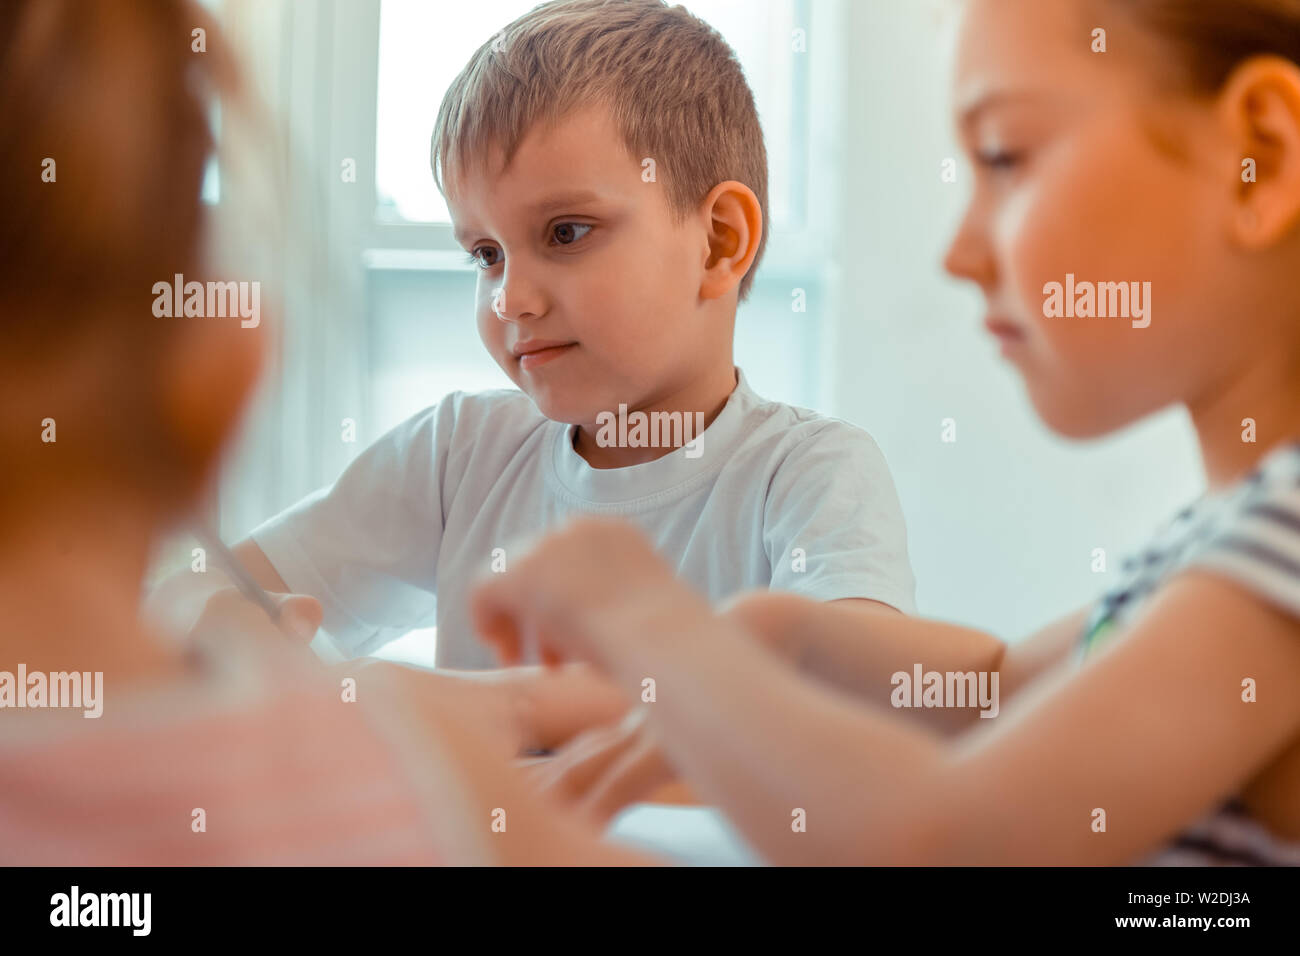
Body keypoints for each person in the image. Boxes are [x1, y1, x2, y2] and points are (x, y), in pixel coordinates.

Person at [470, 0, 1300, 865]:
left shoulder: (1286, 540)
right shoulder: (1222, 541)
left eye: (1006, 157)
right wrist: (788, 635)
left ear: (1260, 158)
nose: (959, 252)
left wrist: (646, 619)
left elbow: (939, 839)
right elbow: (997, 686)